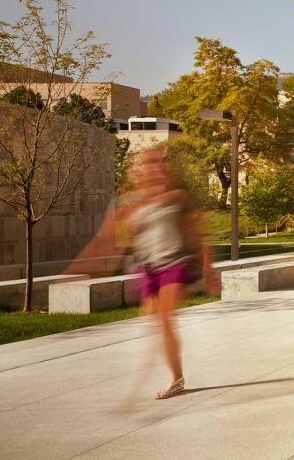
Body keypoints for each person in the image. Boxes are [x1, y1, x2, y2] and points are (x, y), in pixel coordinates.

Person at [111, 149, 218, 400]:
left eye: (156, 164)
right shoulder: (134, 203)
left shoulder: (177, 197)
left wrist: (208, 271)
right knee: (154, 323)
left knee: (165, 318)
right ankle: (171, 374)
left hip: (176, 261)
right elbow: (129, 238)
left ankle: (176, 379)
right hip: (149, 267)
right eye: (146, 164)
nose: (152, 168)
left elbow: (197, 236)